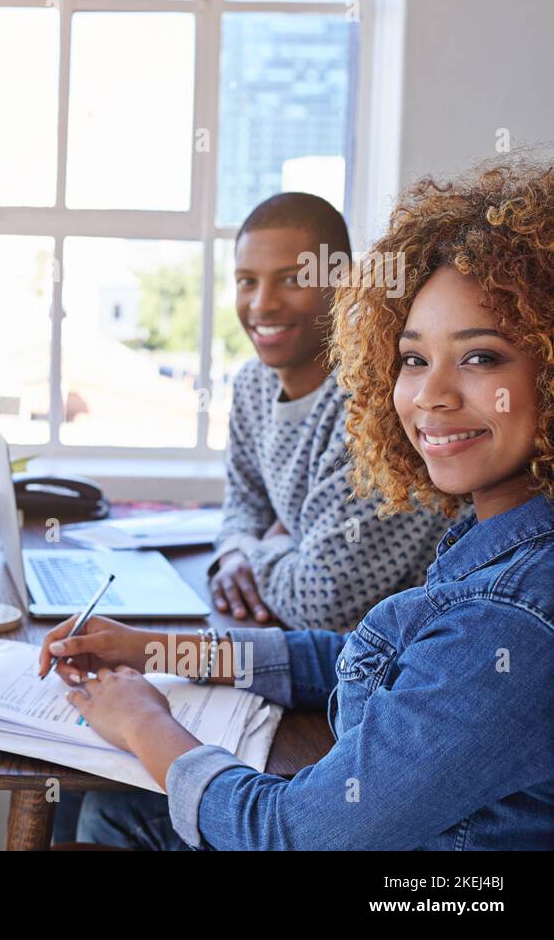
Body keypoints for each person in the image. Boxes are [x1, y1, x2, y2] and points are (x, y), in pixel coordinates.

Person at [45, 161, 554, 850]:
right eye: (411, 358)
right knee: (101, 797)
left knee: (110, 803)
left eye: (481, 357)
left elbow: (293, 834)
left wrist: (144, 720)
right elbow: (338, 655)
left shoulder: (510, 618)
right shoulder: (497, 537)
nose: (430, 395)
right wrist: (154, 648)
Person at [210, 192, 454, 630]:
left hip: (393, 659)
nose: (261, 304)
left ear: (344, 284)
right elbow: (243, 502)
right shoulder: (252, 384)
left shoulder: (379, 403)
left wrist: (259, 550)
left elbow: (324, 600)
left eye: (290, 279)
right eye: (247, 281)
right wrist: (235, 554)